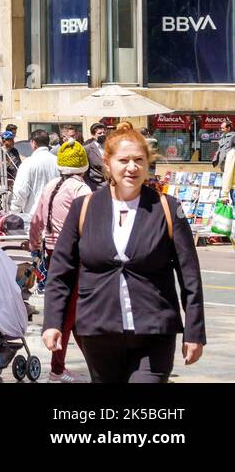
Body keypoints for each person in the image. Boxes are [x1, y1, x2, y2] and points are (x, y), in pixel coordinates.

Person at [42, 123, 206, 383]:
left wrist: (194, 331)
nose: (132, 168)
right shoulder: (84, 208)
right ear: (108, 163)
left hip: (154, 330)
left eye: (139, 160)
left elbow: (190, 276)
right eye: (124, 160)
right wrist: (52, 322)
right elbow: (61, 270)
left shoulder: (167, 208)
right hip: (98, 330)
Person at [28, 140, 93, 382]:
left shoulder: (51, 186)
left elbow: (36, 221)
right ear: (84, 168)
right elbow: (91, 227)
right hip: (75, 258)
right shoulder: (81, 190)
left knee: (72, 313)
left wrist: (34, 247)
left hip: (52, 255)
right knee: (69, 314)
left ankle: (99, 366)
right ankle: (57, 368)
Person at [11, 129, 59, 218]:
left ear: (33, 143)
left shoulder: (28, 163)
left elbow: (20, 191)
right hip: (55, 214)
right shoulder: (58, 162)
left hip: (34, 215)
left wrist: (14, 211)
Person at [84, 122, 108, 191]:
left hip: (109, 184)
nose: (102, 135)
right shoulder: (87, 149)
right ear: (93, 135)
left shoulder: (109, 146)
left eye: (104, 132)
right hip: (95, 186)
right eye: (100, 133)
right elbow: (86, 170)